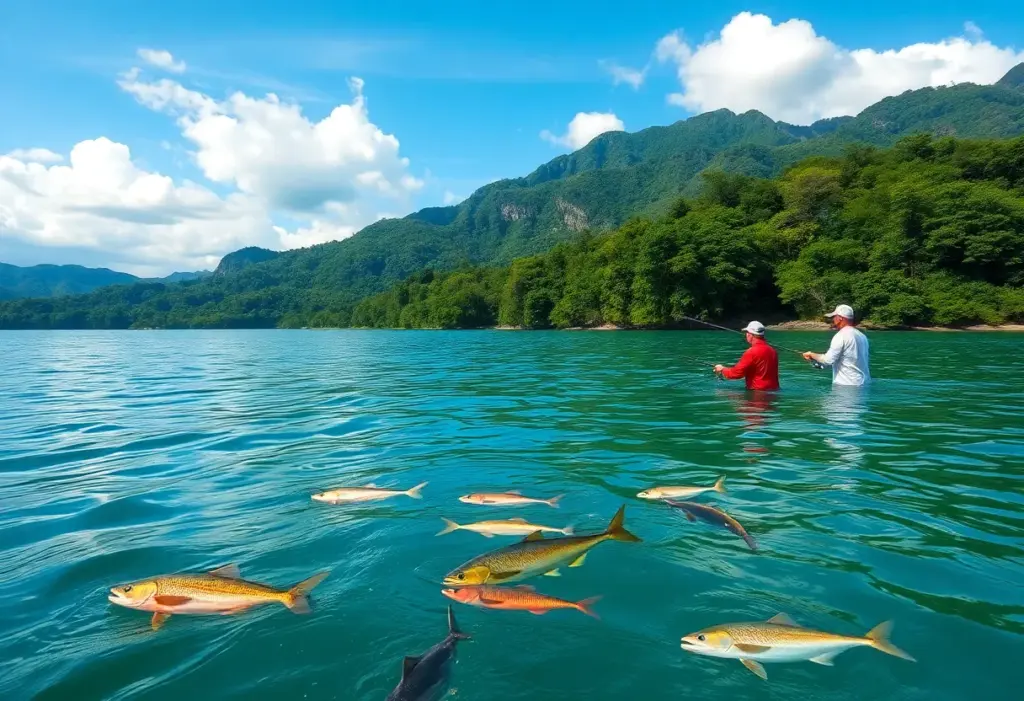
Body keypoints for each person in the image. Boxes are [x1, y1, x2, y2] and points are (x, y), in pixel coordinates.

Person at [802, 304, 871, 386]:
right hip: (863, 384)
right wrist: (816, 361)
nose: (833, 319)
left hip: (846, 386)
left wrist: (811, 354)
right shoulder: (862, 336)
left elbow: (827, 360)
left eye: (834, 317)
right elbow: (846, 359)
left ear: (840, 318)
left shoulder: (841, 335)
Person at [713, 321, 780, 391]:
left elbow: (736, 374)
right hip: (774, 391)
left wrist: (722, 369)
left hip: (758, 394)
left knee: (721, 393)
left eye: (747, 332)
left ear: (750, 335)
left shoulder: (751, 352)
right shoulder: (773, 351)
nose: (746, 335)